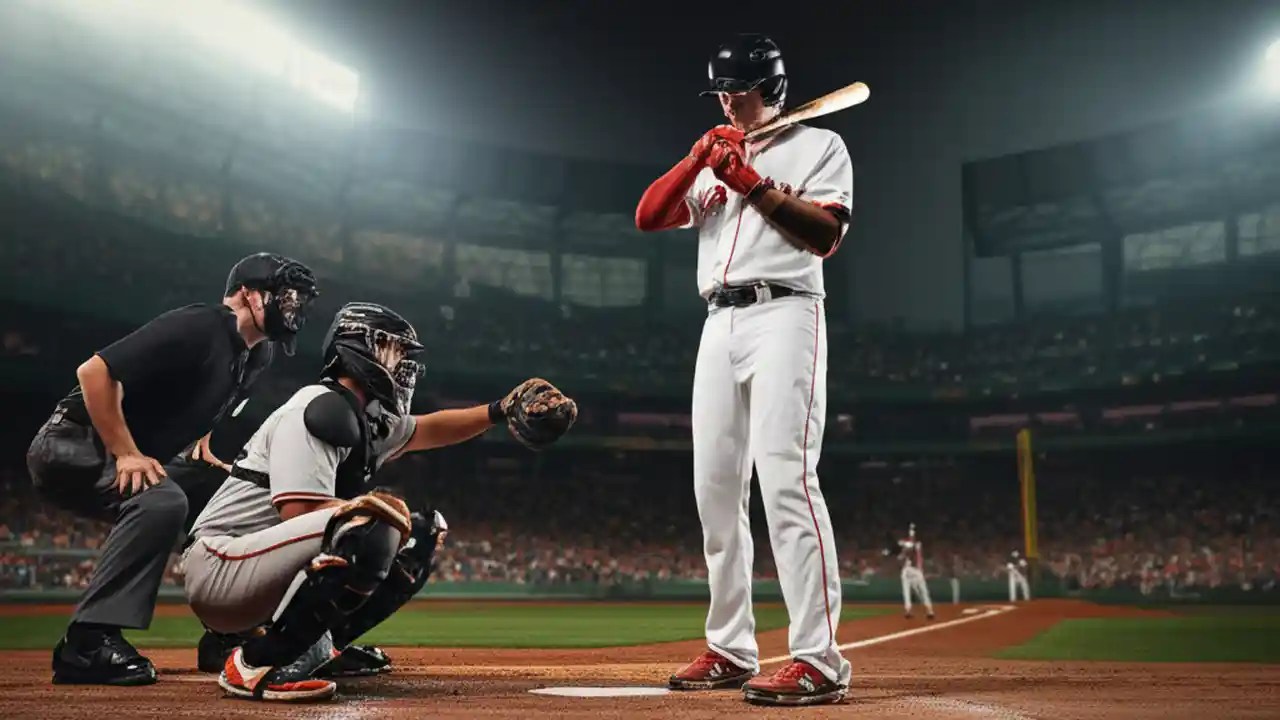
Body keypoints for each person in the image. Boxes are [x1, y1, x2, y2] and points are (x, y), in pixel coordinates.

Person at [181, 302, 576, 702]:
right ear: (358, 349)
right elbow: (297, 512)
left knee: (421, 534)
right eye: (393, 349)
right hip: (222, 565)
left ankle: (312, 648)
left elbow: (429, 427)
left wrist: (499, 410)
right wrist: (380, 516)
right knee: (374, 521)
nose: (405, 363)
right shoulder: (317, 407)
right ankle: (259, 662)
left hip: (260, 565)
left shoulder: (365, 415)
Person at [635, 33, 853, 706]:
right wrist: (698, 157)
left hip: (786, 312)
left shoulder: (820, 147)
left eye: (740, 91)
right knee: (715, 490)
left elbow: (825, 236)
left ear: (774, 88)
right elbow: (648, 216)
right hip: (718, 322)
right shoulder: (719, 153)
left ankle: (819, 658)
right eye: (721, 93)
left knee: (786, 478)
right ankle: (731, 645)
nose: (729, 101)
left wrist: (748, 181)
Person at [26, 253, 318, 685]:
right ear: (247, 295)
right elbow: (94, 374)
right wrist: (125, 452)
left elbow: (204, 401)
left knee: (232, 496)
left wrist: (198, 446)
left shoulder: (259, 355)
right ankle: (86, 644)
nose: (292, 307)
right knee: (159, 499)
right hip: (69, 441)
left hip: (142, 452)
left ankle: (230, 634)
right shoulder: (201, 325)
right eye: (284, 295)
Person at [898, 524, 934, 620]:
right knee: (922, 591)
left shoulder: (914, 544)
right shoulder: (914, 544)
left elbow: (905, 545)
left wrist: (904, 544)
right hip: (913, 570)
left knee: (913, 591)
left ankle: (911, 610)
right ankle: (928, 610)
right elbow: (904, 547)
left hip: (912, 570)